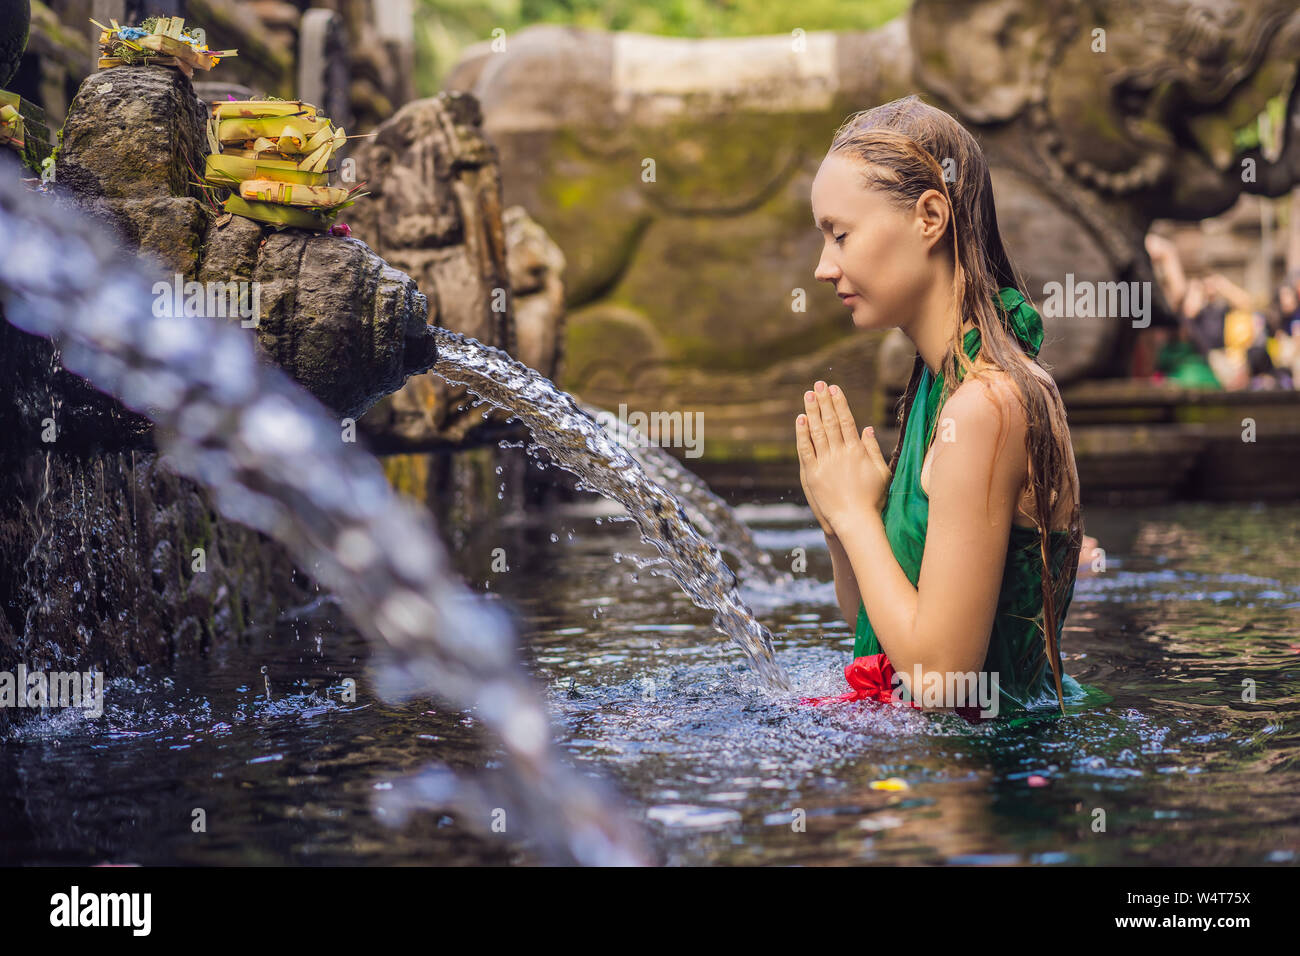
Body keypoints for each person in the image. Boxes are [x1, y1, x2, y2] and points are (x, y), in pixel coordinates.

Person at [798, 95, 1086, 719]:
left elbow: (940, 682)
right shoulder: (940, 387)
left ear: (931, 215)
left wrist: (856, 518)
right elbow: (889, 635)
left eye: (841, 235)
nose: (824, 268)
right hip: (939, 777)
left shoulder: (986, 405)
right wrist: (842, 523)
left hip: (979, 799)